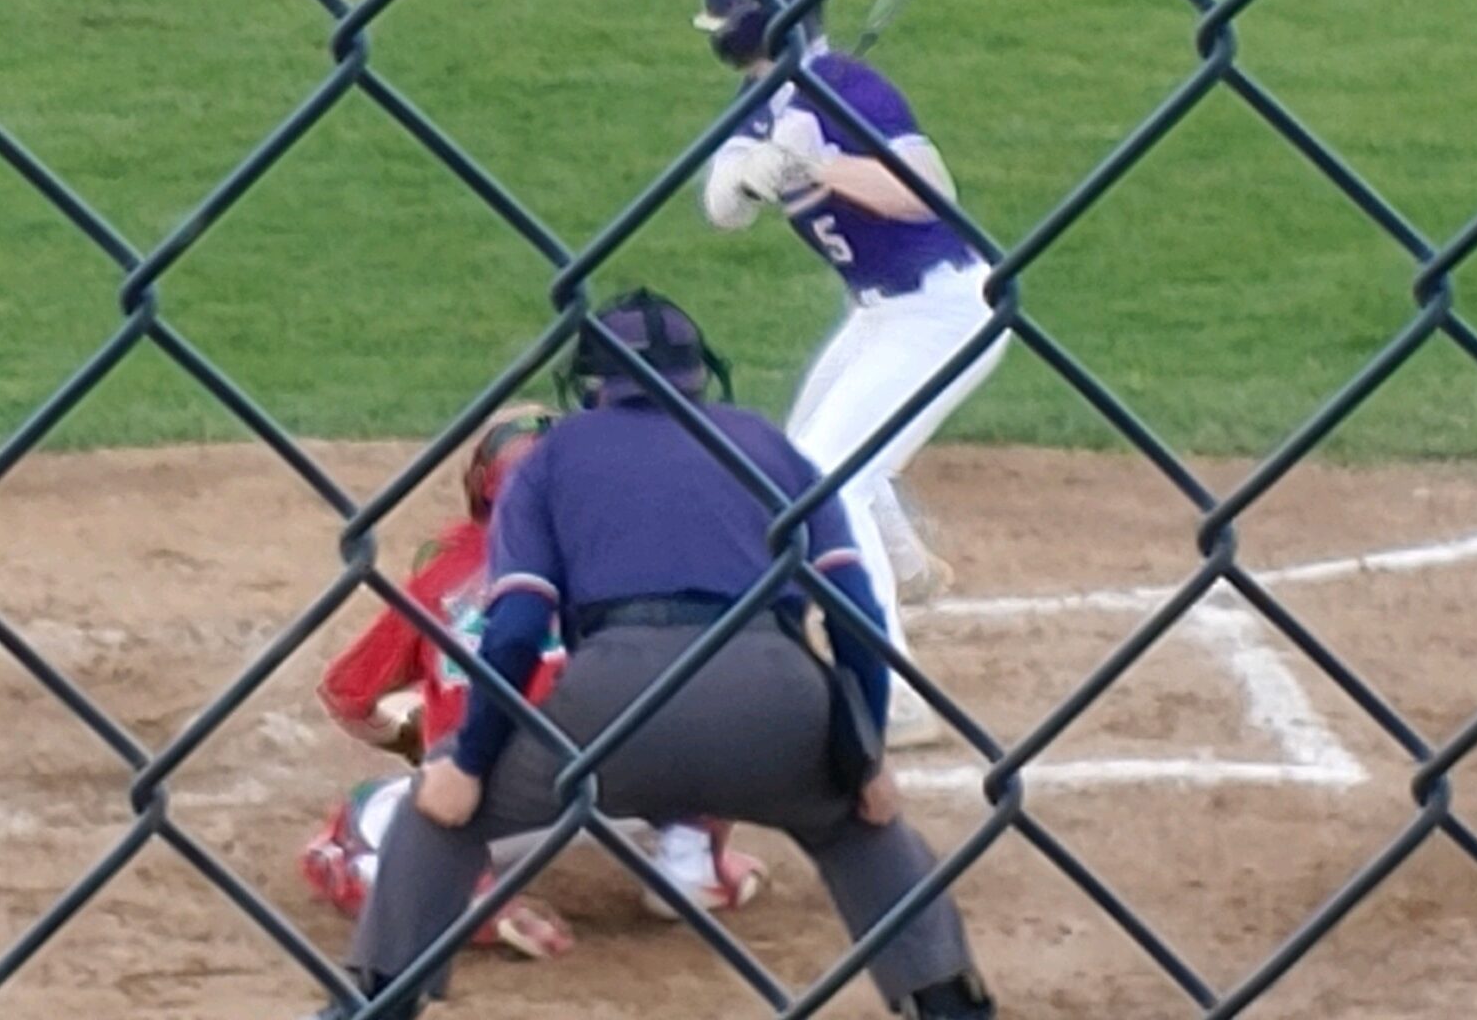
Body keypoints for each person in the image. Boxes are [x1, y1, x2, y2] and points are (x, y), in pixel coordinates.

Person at [298, 290, 996, 1020]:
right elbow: (855, 610)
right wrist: (866, 757)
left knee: (438, 816)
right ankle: (948, 1001)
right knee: (862, 828)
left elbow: (515, 626)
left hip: (611, 702)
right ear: (700, 373)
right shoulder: (766, 445)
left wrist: (468, 764)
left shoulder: (553, 459)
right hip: (774, 694)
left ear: (593, 386)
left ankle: (375, 1004)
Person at [303, 406, 766, 961]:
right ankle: (693, 863)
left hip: (485, 805)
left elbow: (347, 696)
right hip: (638, 788)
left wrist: (409, 738)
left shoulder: (443, 574)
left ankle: (458, 897)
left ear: (481, 488)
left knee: (357, 820)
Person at [695, 0, 1008, 745]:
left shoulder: (851, 88)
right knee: (807, 465)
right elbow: (722, 206)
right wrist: (752, 174)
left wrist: (826, 169)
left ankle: (897, 696)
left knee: (829, 479)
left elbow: (931, 192)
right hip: (878, 315)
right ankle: (906, 568)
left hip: (946, 309)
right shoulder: (761, 103)